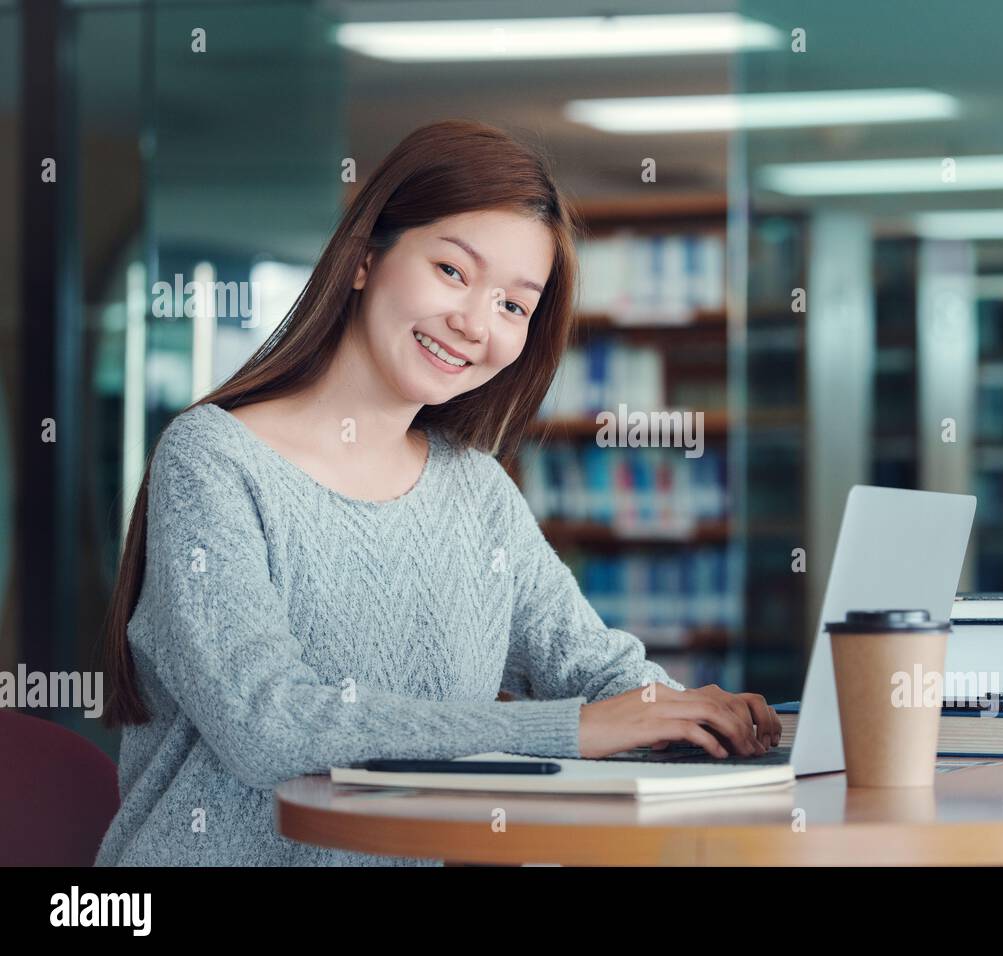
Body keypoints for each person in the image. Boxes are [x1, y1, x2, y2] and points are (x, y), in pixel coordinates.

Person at [94, 119, 780, 866]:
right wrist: (576, 729)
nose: (473, 323)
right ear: (364, 259)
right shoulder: (215, 459)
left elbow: (595, 669)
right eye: (453, 271)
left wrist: (690, 717)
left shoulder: (474, 487)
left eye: (514, 306)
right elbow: (271, 724)